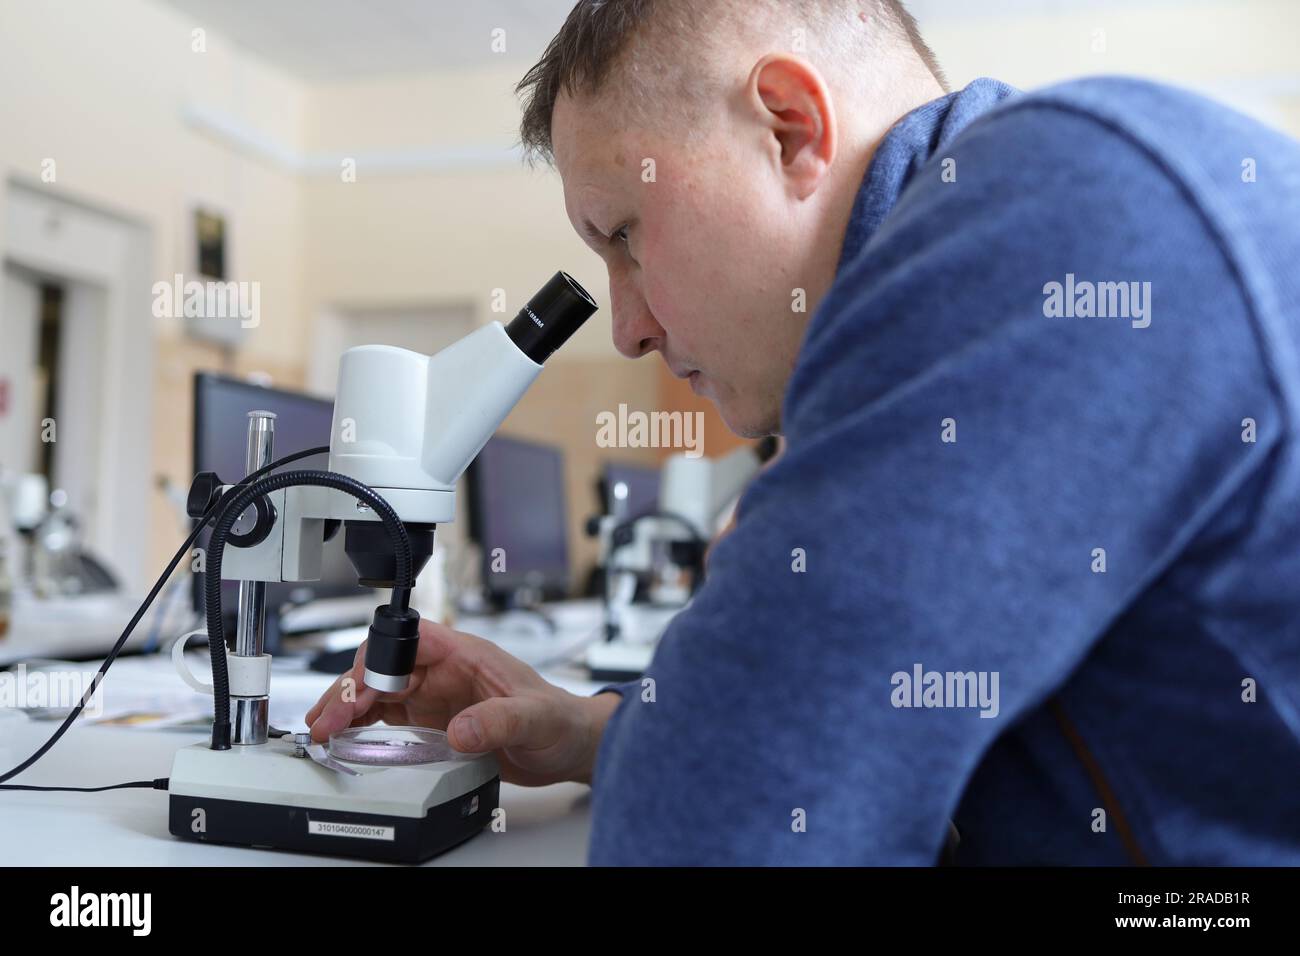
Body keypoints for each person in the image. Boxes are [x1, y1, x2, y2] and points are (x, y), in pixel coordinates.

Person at [308, 0, 1300, 864]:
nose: (627, 326)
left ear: (787, 128)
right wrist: (598, 728)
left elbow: (717, 822)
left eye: (625, 235)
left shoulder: (1055, 213)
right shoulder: (1043, 193)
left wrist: (690, 734)